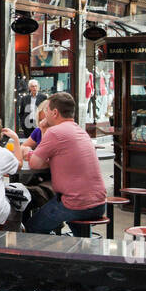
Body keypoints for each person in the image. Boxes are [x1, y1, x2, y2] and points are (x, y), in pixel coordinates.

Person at [25, 93, 108, 236]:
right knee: (78, 234)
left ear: (55, 112)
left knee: (32, 227)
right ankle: (83, 245)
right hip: (99, 203)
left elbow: (34, 163)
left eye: (46, 110)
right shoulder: (80, 131)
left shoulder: (55, 132)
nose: (45, 114)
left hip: (76, 204)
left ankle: (56, 248)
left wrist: (28, 152)